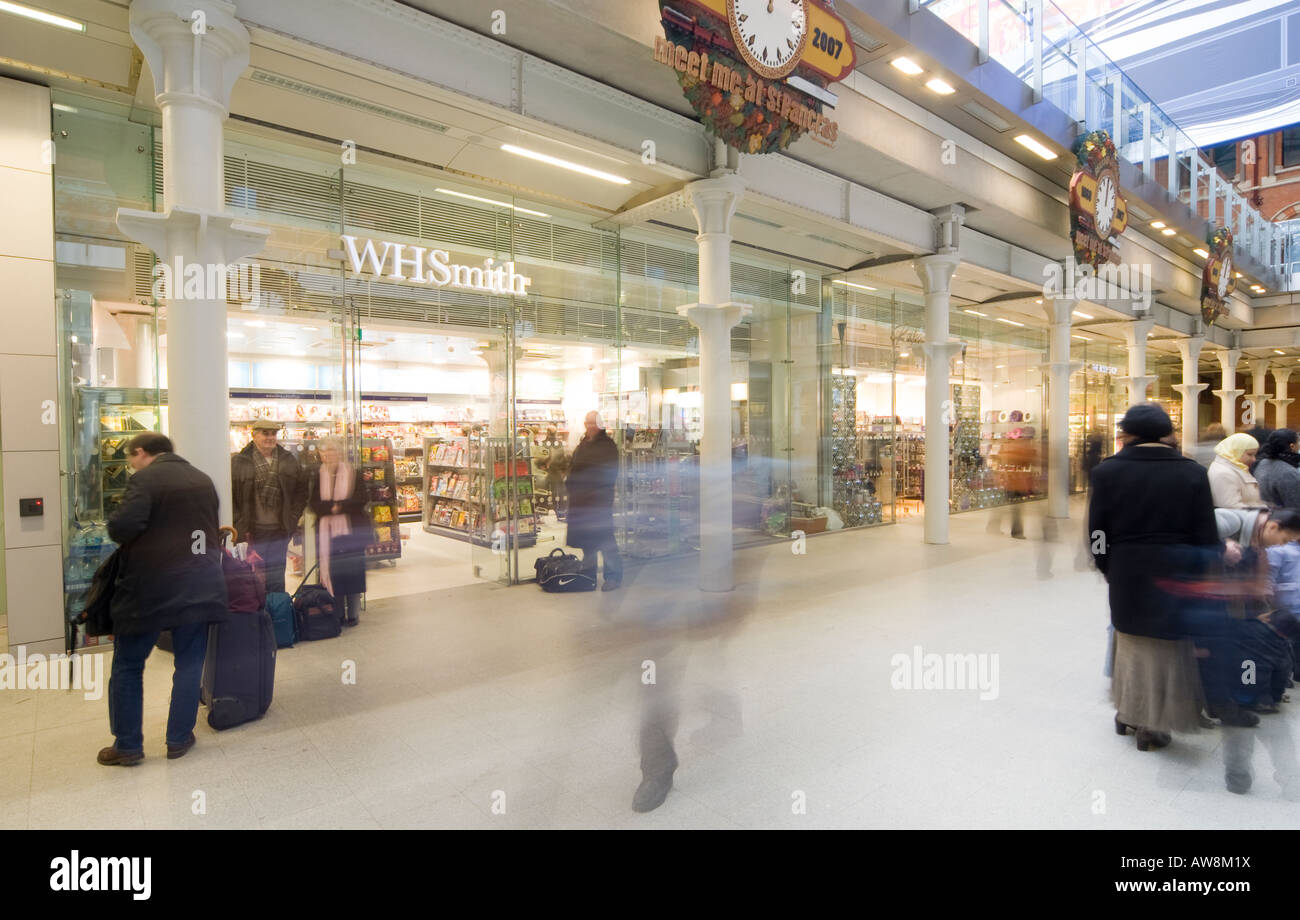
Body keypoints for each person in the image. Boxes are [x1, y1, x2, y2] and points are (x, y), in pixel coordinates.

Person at [1089, 404, 1221, 751]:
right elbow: (1206, 532)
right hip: (1177, 567)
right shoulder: (1192, 472)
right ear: (1166, 433)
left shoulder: (1108, 471)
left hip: (1128, 568)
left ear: (1128, 434)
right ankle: (1156, 722)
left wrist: (1106, 565)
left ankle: (1128, 711)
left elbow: (1098, 531)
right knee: (1169, 645)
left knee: (1130, 641)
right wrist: (1203, 572)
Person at [97, 433, 227, 765]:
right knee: (188, 663)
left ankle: (127, 746)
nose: (131, 465)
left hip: (148, 590)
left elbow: (122, 528)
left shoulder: (144, 480)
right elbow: (206, 535)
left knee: (128, 665)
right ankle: (179, 739)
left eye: (130, 459)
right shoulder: (202, 480)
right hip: (198, 586)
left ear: (141, 453)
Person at [232, 418, 308, 594]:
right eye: (265, 433)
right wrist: (240, 525)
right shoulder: (240, 461)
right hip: (252, 532)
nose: (270, 437)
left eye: (273, 433)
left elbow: (301, 492)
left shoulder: (288, 459)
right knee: (253, 578)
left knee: (275, 579)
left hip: (279, 530)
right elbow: (233, 497)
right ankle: (259, 617)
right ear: (254, 435)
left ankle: (276, 615)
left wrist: (292, 518)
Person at [308, 437, 366, 626]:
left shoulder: (353, 473)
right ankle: (338, 612)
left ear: (339, 453)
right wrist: (330, 509)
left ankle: (353, 614)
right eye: (323, 452)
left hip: (350, 531)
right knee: (334, 573)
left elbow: (361, 499)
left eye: (331, 451)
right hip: (327, 534)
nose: (327, 455)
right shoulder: (318, 474)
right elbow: (313, 502)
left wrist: (338, 508)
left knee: (352, 574)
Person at [566, 410, 622, 591]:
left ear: (600, 424)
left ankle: (613, 576)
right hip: (581, 501)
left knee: (606, 540)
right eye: (587, 423)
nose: (589, 427)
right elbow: (575, 467)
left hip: (598, 502)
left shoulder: (608, 446)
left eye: (592, 423)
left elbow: (607, 474)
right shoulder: (584, 444)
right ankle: (588, 571)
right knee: (587, 539)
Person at [1208, 433, 1264, 509]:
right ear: (1236, 451)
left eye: (1255, 455)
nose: (1254, 459)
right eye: (1250, 454)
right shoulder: (1224, 474)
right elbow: (1230, 507)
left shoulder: (1235, 467)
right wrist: (1262, 514)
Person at [1253, 429, 1300, 511]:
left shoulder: (1262, 463)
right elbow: (1296, 505)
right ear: (1292, 446)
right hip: (1284, 519)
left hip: (1266, 515)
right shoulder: (1288, 473)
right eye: (1298, 442)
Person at [537, 425, 568, 521]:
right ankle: (560, 513)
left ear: (547, 432)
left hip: (546, 472)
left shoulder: (543, 444)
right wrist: (563, 470)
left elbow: (539, 458)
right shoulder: (559, 444)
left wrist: (541, 465)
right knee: (557, 494)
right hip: (555, 471)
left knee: (543, 493)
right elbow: (563, 459)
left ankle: (541, 514)